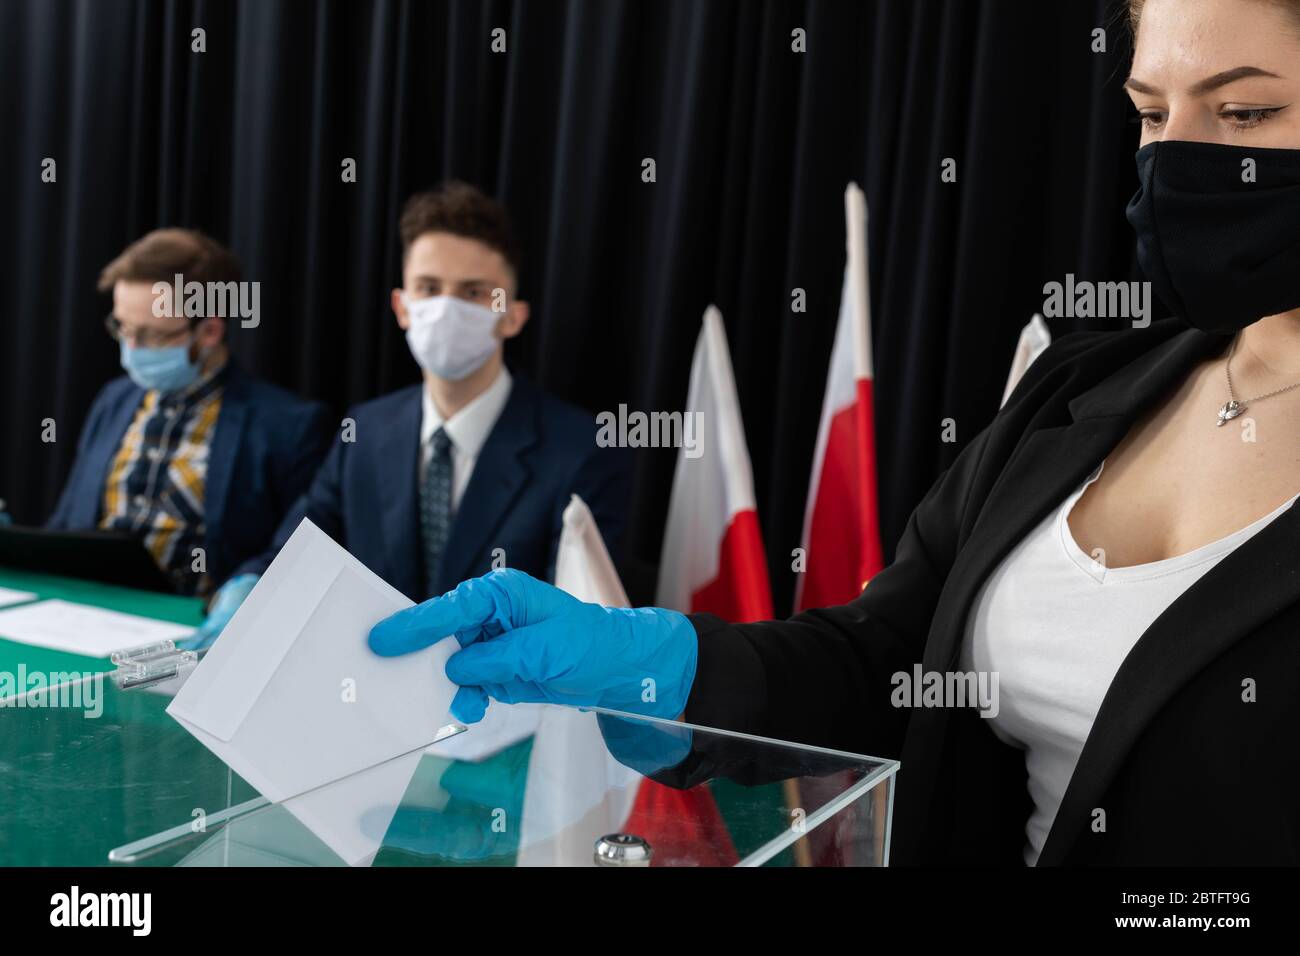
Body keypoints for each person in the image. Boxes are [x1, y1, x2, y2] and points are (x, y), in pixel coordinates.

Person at [368, 0, 1300, 866]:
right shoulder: (1077, 390)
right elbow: (883, 662)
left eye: (1246, 114)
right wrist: (661, 663)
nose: (1175, 160)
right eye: (1148, 114)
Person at [193, 182, 630, 644]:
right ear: (402, 306)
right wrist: (250, 587)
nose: (447, 307)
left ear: (513, 316)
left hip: (507, 704)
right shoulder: (364, 431)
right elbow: (297, 549)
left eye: (474, 292)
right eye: (429, 287)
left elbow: (582, 622)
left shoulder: (581, 453)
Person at [48, 228, 331, 599]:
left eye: (151, 336)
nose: (130, 349)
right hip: (85, 613)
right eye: (122, 328)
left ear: (209, 330)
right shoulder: (113, 401)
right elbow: (69, 523)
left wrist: (252, 584)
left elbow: (300, 550)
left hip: (194, 630)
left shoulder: (287, 426)